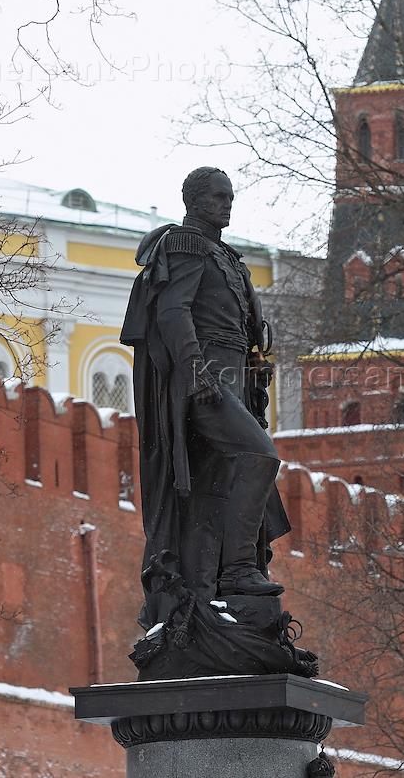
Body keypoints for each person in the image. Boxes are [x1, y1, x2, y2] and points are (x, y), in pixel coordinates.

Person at [120, 167, 289, 628]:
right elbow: (174, 312)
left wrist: (255, 363)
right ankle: (237, 572)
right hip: (206, 377)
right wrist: (196, 371)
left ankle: (209, 583)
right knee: (258, 457)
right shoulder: (185, 244)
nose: (227, 203)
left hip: (233, 375)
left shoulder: (229, 259)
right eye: (217, 197)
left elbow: (240, 327)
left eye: (230, 196)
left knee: (218, 482)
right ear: (194, 201)